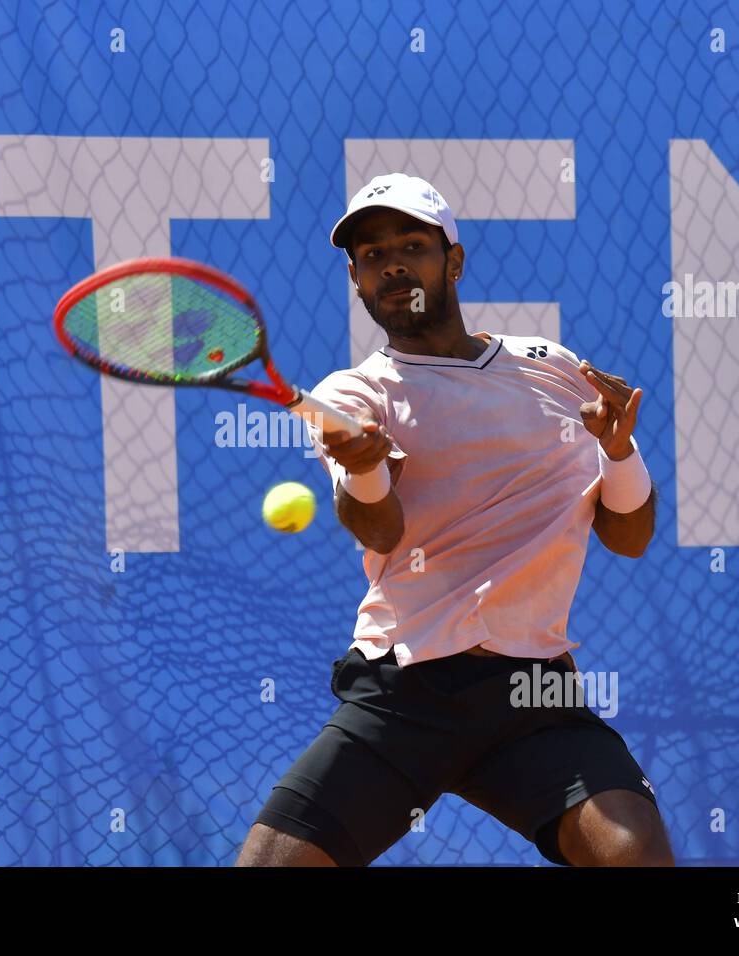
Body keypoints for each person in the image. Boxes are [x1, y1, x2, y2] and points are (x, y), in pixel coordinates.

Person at [235, 173, 672, 867]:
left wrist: (618, 453)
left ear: (454, 262)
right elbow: (379, 529)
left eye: (412, 244)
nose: (393, 263)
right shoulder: (352, 395)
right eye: (373, 256)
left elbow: (632, 536)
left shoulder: (553, 370)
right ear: (356, 280)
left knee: (633, 854)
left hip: (534, 692)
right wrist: (369, 466)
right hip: (406, 688)